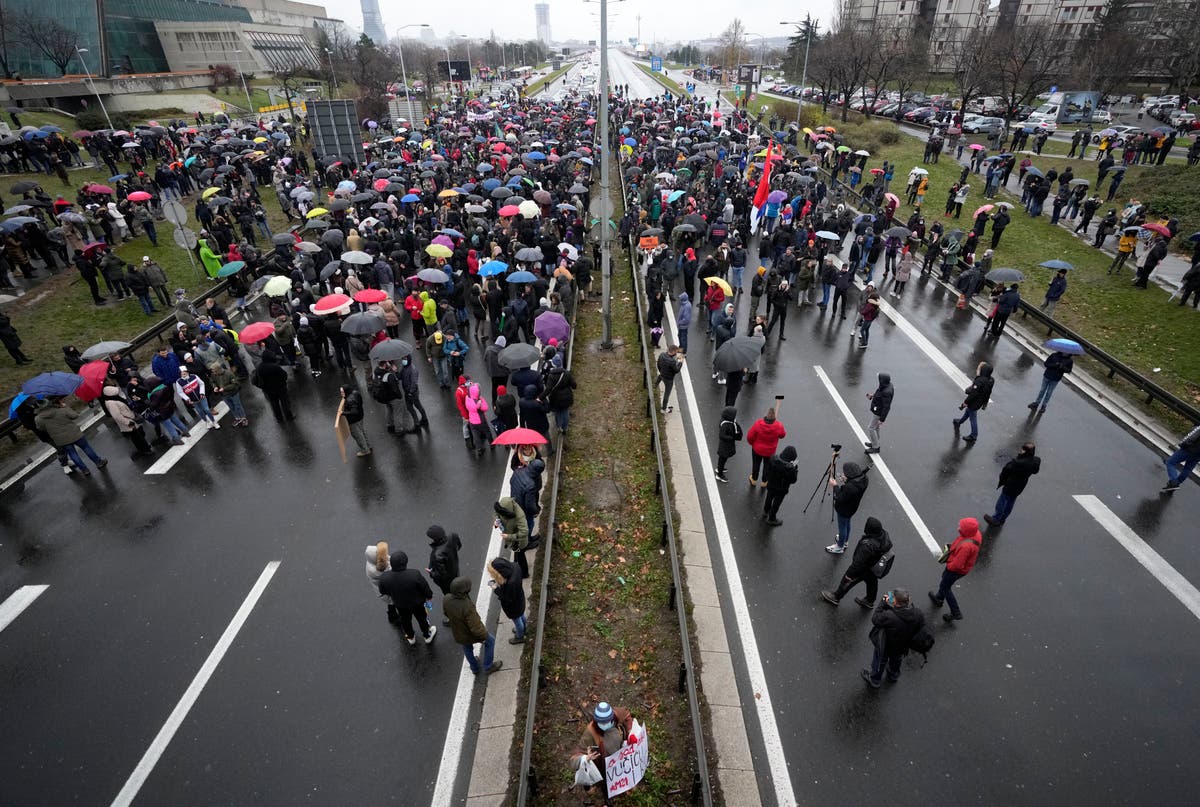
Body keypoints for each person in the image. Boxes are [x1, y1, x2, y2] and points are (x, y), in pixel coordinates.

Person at [822, 516, 893, 607]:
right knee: (872, 582)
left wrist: (849, 574)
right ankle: (870, 601)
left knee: (847, 581)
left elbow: (858, 563)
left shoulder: (867, 546)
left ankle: (836, 597)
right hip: (873, 566)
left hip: (864, 567)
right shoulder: (883, 535)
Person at [862, 588, 925, 688]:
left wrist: (882, 603)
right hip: (903, 646)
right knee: (897, 660)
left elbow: (875, 619)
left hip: (887, 645)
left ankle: (875, 679)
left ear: (895, 602)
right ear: (909, 600)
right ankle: (893, 674)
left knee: (880, 661)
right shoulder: (918, 613)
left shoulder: (889, 616)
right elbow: (919, 625)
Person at [570, 702, 635, 797]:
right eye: (602, 723)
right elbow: (573, 759)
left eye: (608, 721)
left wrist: (630, 732)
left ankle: (624, 785)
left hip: (620, 756)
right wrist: (585, 758)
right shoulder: (590, 733)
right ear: (596, 722)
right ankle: (608, 796)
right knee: (606, 784)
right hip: (604, 765)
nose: (605, 725)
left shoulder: (616, 714)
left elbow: (627, 716)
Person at [34, 397, 108, 475]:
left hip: (61, 439)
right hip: (74, 434)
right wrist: (65, 406)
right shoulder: (61, 410)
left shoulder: (38, 419)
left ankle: (84, 470)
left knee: (72, 453)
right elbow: (75, 415)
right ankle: (99, 462)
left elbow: (41, 429)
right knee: (86, 447)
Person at [444, 576, 503, 675]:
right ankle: (488, 666)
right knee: (491, 641)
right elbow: (475, 627)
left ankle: (474, 667)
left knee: (467, 648)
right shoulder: (467, 606)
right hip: (470, 633)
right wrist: (484, 636)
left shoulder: (446, 598)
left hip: (458, 632)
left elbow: (446, 613)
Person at [377, 550, 437, 645]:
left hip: (400, 605)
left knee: (405, 621)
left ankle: (410, 637)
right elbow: (424, 587)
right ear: (405, 562)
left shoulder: (385, 577)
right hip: (417, 603)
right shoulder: (414, 574)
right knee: (422, 619)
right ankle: (427, 635)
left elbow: (382, 591)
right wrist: (429, 596)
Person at [929, 518, 982, 622]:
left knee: (945, 587)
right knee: (945, 583)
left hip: (955, 571)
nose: (958, 528)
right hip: (963, 569)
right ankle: (939, 598)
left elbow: (957, 565)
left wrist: (948, 565)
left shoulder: (966, 547)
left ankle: (955, 612)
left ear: (967, 531)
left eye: (961, 527)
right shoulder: (976, 534)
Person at [986, 442, 1041, 525]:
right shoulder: (1035, 461)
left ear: (1026, 452)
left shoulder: (1017, 463)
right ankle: (1002, 518)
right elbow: (1035, 470)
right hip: (1020, 486)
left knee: (1002, 502)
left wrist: (1002, 480)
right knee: (1010, 502)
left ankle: (996, 519)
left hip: (1010, 485)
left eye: (1023, 449)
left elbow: (1006, 471)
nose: (1020, 450)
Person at [100, 382, 153, 456]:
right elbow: (116, 416)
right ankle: (146, 450)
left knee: (138, 435)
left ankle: (143, 449)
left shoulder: (114, 398)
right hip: (128, 422)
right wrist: (127, 422)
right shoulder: (111, 403)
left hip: (130, 419)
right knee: (137, 437)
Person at [828, 461, 870, 553]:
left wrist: (835, 486)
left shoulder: (850, 488)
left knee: (842, 527)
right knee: (847, 523)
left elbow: (840, 498)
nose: (843, 474)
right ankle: (845, 541)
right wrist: (847, 480)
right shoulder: (864, 479)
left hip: (844, 510)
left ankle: (839, 546)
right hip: (852, 508)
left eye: (845, 473)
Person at [425, 525, 462, 624]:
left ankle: (452, 618)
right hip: (455, 571)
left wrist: (431, 573)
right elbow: (459, 546)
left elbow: (441, 575)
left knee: (449, 597)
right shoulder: (452, 536)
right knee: (458, 591)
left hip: (446, 582)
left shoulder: (436, 554)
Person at [953, 361, 995, 443]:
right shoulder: (991, 380)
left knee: (973, 417)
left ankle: (973, 435)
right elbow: (989, 392)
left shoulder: (979, 381)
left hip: (975, 402)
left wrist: (966, 402)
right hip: (981, 401)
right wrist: (985, 403)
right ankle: (960, 421)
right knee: (968, 411)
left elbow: (973, 394)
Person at [488, 556, 527, 643]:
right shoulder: (515, 566)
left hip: (513, 606)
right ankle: (525, 628)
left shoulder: (510, 584)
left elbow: (507, 598)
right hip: (520, 598)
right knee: (521, 614)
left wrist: (496, 589)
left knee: (517, 621)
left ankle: (519, 636)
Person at [746, 407, 786, 486]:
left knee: (756, 464)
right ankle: (764, 481)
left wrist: (752, 444)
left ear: (766, 415)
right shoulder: (779, 426)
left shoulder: (758, 424)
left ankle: (754, 479)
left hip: (757, 450)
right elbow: (782, 435)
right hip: (770, 452)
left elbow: (750, 436)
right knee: (767, 466)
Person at [494, 497, 530, 579]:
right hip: (513, 541)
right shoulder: (503, 507)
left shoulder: (519, 516)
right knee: (517, 553)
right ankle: (516, 562)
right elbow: (497, 513)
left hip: (519, 541)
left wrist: (509, 536)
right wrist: (496, 520)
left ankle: (525, 573)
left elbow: (524, 532)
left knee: (521, 555)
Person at [762, 446, 799, 526]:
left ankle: (766, 511)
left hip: (771, 485)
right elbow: (793, 480)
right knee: (776, 503)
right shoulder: (790, 468)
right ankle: (771, 518)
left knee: (769, 497)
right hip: (781, 489)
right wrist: (795, 469)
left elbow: (767, 471)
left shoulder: (773, 459)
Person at [364, 542, 398, 623]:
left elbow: (387, 558)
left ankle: (392, 615)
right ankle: (393, 617)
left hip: (383, 589)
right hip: (385, 591)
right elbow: (390, 572)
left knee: (391, 602)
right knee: (392, 602)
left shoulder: (372, 561)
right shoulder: (374, 570)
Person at [254, 353, 294, 421]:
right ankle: (289, 417)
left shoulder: (259, 367)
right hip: (280, 388)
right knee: (285, 402)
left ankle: (279, 418)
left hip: (268, 390)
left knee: (274, 404)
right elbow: (284, 375)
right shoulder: (275, 367)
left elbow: (256, 379)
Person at [1161, 425, 1200, 493]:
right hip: (1198, 454)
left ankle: (1174, 483)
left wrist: (1183, 444)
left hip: (1189, 449)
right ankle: (1173, 486)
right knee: (1187, 469)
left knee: (1170, 462)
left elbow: (1192, 436)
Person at [863, 373, 893, 454]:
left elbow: (887, 407)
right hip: (877, 410)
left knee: (871, 428)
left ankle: (875, 447)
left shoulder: (887, 392)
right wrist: (873, 395)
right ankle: (875, 442)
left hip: (879, 412)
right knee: (876, 428)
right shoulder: (886, 385)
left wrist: (882, 419)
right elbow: (880, 393)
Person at [339, 383, 371, 457]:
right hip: (360, 417)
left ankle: (365, 450)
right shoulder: (355, 393)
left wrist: (343, 412)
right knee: (362, 432)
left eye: (342, 392)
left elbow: (354, 412)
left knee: (357, 435)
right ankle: (368, 446)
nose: (341, 393)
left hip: (354, 420)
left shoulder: (350, 400)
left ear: (346, 391)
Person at [714, 405, 743, 483]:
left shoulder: (730, 422)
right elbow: (721, 435)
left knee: (723, 459)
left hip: (726, 446)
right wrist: (731, 438)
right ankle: (719, 474)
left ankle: (720, 468)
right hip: (724, 447)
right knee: (722, 459)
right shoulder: (725, 424)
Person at [656, 345, 683, 413]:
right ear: (673, 352)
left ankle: (654, 386)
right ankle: (664, 408)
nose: (676, 353)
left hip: (662, 375)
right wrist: (680, 362)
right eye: (676, 352)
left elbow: (658, 364)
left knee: (659, 378)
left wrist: (661, 371)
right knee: (667, 393)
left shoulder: (662, 355)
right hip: (669, 379)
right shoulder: (672, 361)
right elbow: (676, 370)